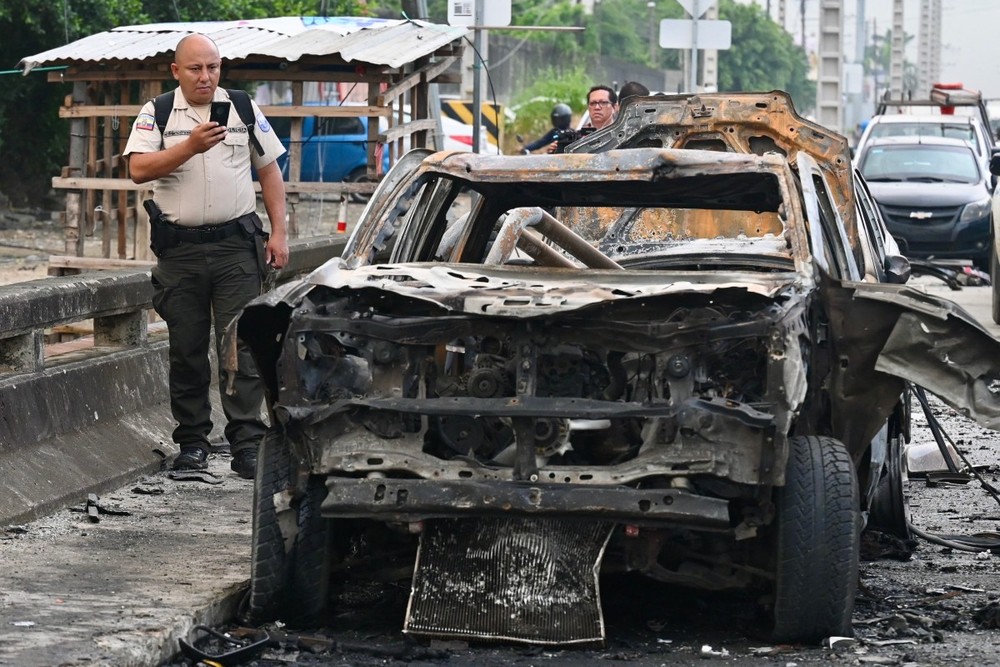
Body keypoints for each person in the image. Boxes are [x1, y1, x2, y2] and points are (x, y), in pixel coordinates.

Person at [123, 33, 289, 480]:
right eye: (196, 68)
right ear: (176, 71)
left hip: (237, 247)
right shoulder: (157, 112)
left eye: (213, 67)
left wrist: (279, 233)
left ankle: (247, 443)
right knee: (188, 350)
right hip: (180, 252)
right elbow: (138, 169)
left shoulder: (243, 107)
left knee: (240, 347)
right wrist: (189, 146)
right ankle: (193, 443)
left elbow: (269, 170)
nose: (206, 76)